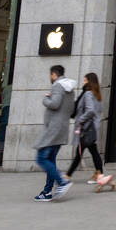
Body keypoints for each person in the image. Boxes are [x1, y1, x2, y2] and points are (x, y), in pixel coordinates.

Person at [34, 65, 76, 202]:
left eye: (50, 75)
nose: (50, 78)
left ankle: (62, 182)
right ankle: (47, 192)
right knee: (50, 160)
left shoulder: (58, 86)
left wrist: (45, 99)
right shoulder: (69, 88)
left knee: (41, 158)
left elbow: (55, 104)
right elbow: (70, 108)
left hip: (53, 128)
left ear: (53, 74)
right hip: (61, 128)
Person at [67, 72, 106, 184]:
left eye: (85, 80)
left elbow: (90, 111)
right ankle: (99, 174)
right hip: (92, 127)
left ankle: (67, 175)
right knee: (93, 151)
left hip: (86, 128)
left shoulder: (88, 93)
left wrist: (80, 120)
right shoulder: (96, 94)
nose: (83, 82)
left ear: (89, 81)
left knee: (79, 153)